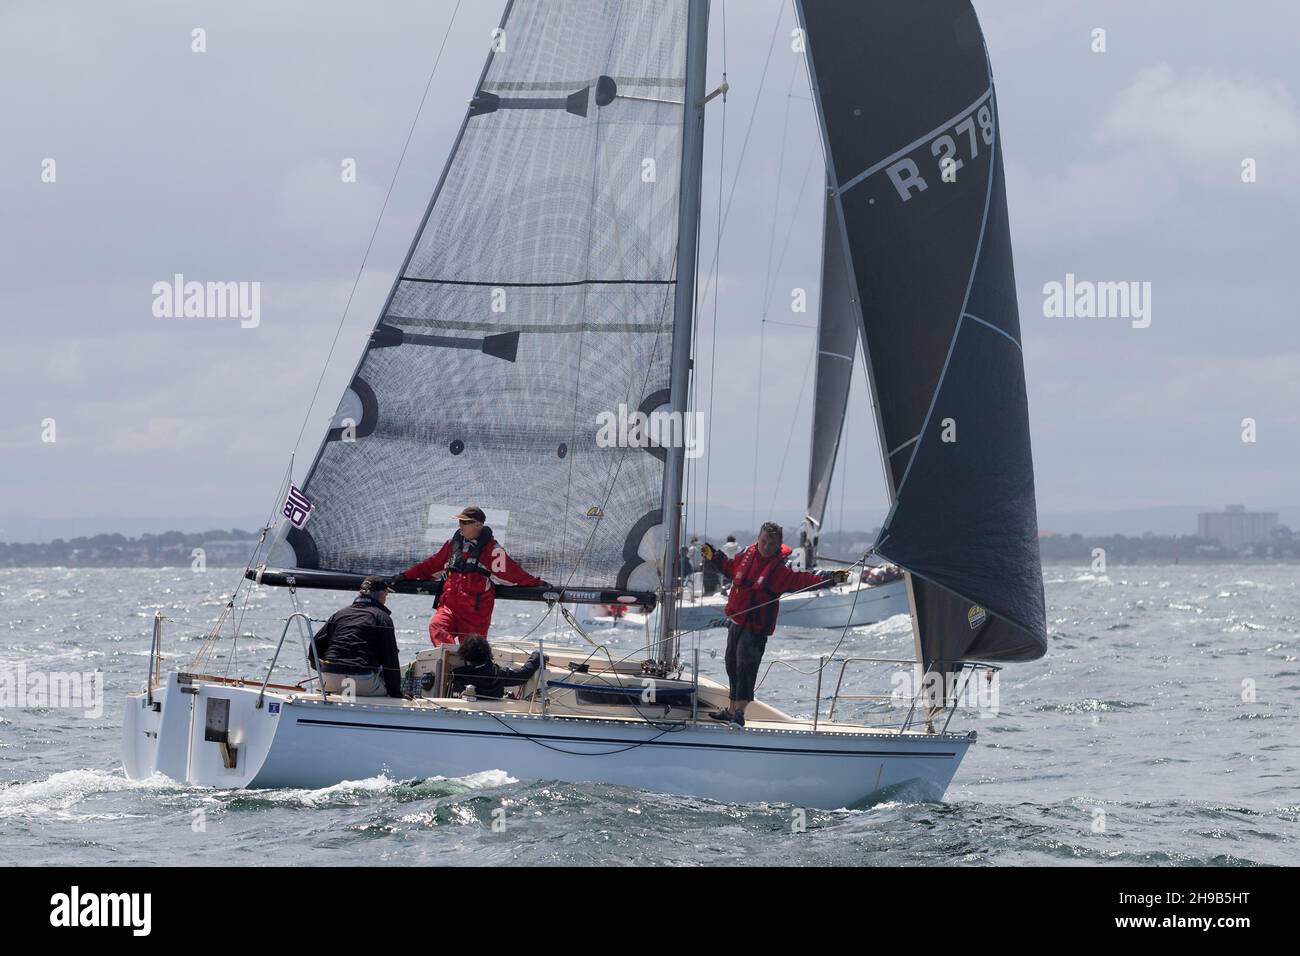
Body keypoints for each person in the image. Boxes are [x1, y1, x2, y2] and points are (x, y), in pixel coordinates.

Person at [701, 522, 849, 726]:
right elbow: (730, 568)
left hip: (756, 628)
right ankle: (731, 710)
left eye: (771, 544)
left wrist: (832, 578)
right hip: (737, 621)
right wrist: (714, 556)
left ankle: (740, 714)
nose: (766, 547)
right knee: (731, 664)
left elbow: (806, 579)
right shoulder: (747, 555)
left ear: (779, 544)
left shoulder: (781, 570)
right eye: (763, 541)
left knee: (745, 666)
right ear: (758, 539)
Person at [397, 506, 549, 646]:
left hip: (475, 613)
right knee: (436, 626)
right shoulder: (452, 545)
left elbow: (513, 574)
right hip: (449, 606)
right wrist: (404, 575)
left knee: (473, 650)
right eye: (459, 521)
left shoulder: (493, 550)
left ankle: (465, 670)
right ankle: (449, 664)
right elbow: (430, 567)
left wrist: (538, 584)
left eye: (464, 522)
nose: (460, 525)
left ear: (478, 525)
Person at [308, 576, 405, 698]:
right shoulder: (382, 618)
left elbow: (315, 644)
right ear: (381, 594)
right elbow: (390, 659)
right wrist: (396, 693)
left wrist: (322, 667)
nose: (386, 598)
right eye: (386, 594)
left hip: (329, 678)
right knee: (388, 691)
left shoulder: (339, 614)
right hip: (361, 680)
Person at [450, 634, 544, 700]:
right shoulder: (499, 673)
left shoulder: (457, 676)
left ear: (465, 655)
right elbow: (523, 675)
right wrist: (537, 657)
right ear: (487, 652)